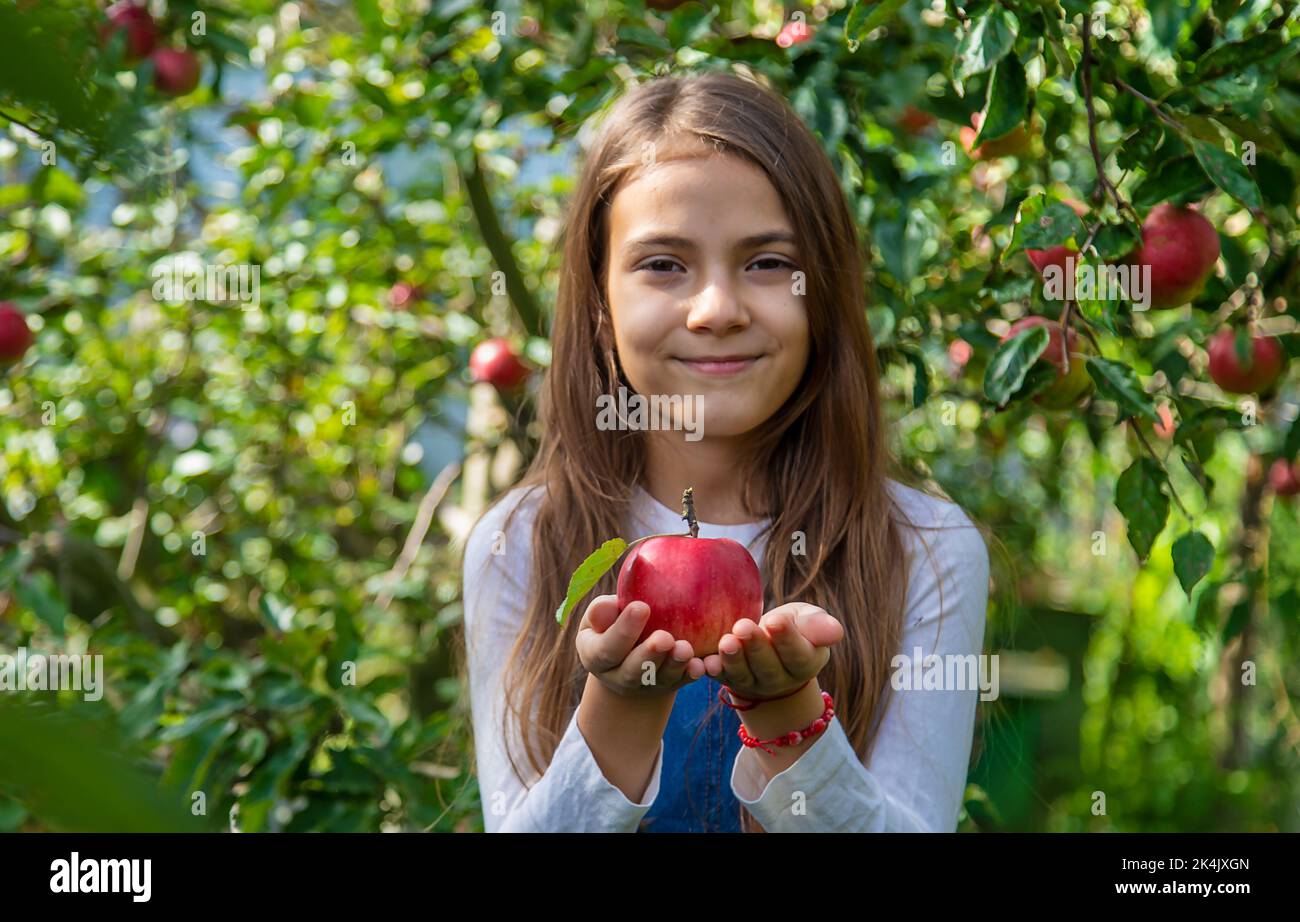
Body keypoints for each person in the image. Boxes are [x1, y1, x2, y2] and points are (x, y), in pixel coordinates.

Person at [461, 71, 991, 833]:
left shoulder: (927, 551)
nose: (717, 310)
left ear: (824, 294)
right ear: (601, 306)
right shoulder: (520, 543)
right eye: (663, 265)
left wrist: (789, 722)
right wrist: (620, 704)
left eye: (769, 262)